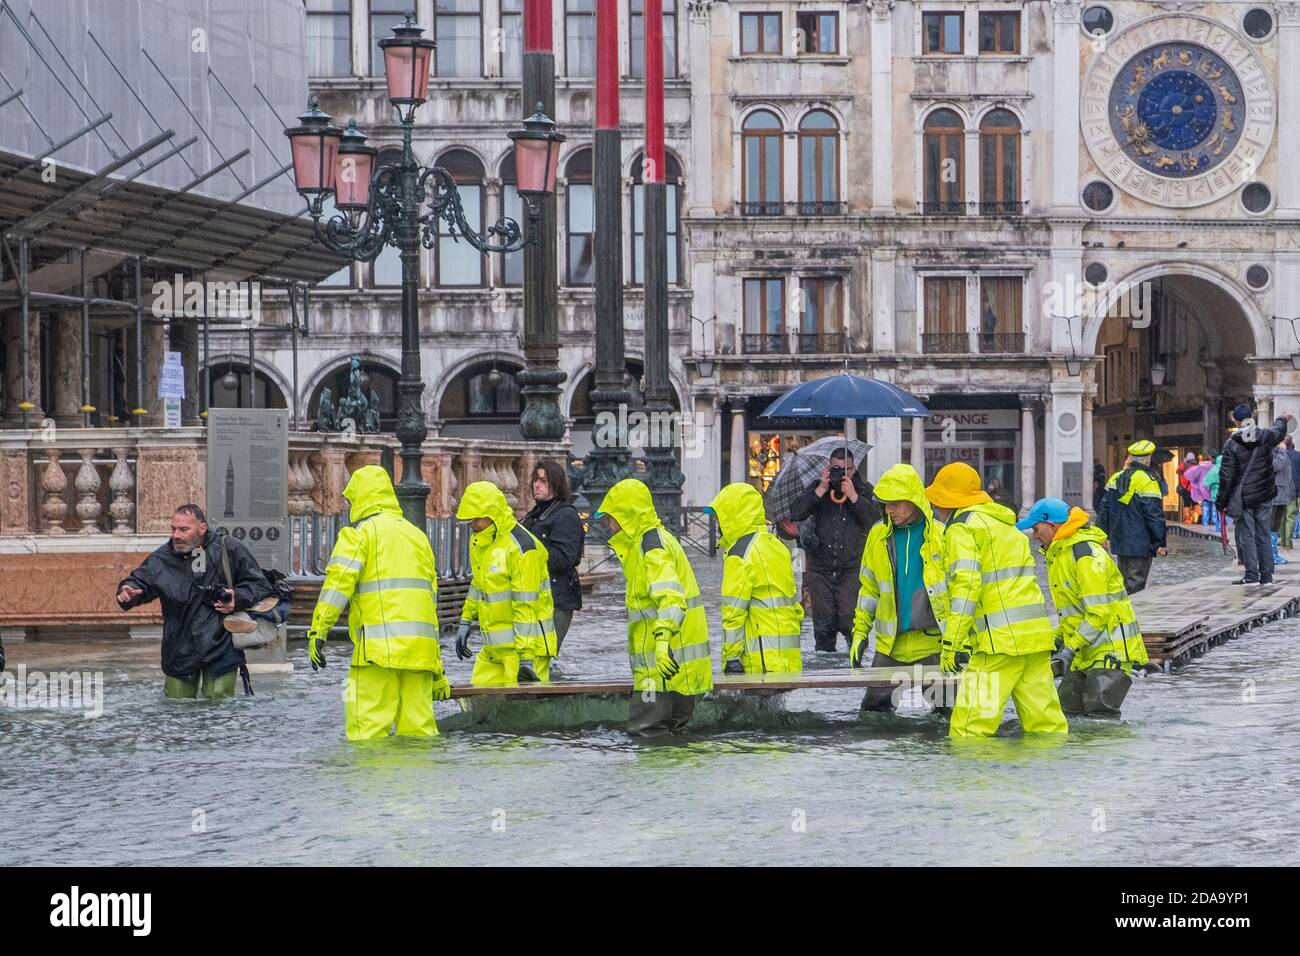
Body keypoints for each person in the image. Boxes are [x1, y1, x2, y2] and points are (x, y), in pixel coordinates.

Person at [305, 466, 450, 739]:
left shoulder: (360, 534)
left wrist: (318, 632)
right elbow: (430, 607)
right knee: (419, 735)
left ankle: (374, 783)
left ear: (361, 497)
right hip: (420, 655)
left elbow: (336, 588)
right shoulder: (418, 537)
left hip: (376, 653)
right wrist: (439, 670)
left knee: (367, 734)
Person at [924, 462, 1067, 739]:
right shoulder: (1009, 529)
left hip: (998, 643)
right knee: (1047, 727)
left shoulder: (963, 528)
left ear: (945, 501)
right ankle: (1052, 779)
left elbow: (967, 587)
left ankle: (974, 783)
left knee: (969, 729)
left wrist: (952, 642)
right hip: (1036, 639)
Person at [117, 504, 275, 700]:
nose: (176, 535)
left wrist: (237, 598)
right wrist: (127, 591)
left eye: (184, 529)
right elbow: (140, 583)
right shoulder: (161, 558)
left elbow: (261, 585)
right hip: (180, 649)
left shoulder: (228, 548)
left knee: (220, 705)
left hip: (221, 645)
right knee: (177, 707)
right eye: (173, 528)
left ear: (202, 528)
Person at [593, 478, 712, 735]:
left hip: (659, 663)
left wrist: (660, 644)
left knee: (647, 733)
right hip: (677, 663)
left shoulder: (651, 546)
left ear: (626, 516)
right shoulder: (655, 541)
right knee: (675, 732)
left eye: (610, 517)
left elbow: (671, 597)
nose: (606, 524)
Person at [1019, 498, 1149, 717]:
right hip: (1085, 651)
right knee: (1063, 711)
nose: (1034, 534)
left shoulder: (1085, 556)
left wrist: (1068, 650)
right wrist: (1050, 642)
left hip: (1110, 653)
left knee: (1099, 720)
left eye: (1036, 528)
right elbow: (1072, 615)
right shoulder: (1060, 555)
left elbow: (1098, 614)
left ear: (1053, 525)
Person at [849, 464, 950, 715]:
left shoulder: (942, 536)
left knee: (950, 714)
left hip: (934, 646)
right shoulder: (877, 536)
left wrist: (960, 641)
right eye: (884, 504)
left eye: (894, 503)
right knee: (872, 715)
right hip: (890, 646)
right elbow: (869, 588)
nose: (888, 509)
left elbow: (960, 590)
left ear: (914, 500)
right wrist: (860, 632)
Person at [454, 480, 558, 686]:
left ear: (492, 515)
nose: (472, 525)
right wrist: (466, 621)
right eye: (469, 520)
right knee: (478, 709)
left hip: (524, 652)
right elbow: (479, 584)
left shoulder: (522, 548)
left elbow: (526, 604)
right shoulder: (482, 541)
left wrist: (526, 657)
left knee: (524, 712)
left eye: (476, 519)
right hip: (494, 649)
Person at [706, 482, 803, 675]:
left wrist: (732, 657)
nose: (718, 524)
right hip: (789, 658)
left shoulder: (740, 554)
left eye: (720, 517)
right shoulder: (776, 545)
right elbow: (794, 603)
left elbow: (733, 613)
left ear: (733, 515)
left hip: (760, 661)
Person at [788, 447, 877, 652]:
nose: (841, 474)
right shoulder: (817, 487)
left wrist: (854, 496)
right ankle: (825, 669)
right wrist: (820, 489)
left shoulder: (864, 489)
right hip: (820, 568)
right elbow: (796, 512)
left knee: (850, 618)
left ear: (854, 469)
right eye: (836, 469)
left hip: (852, 567)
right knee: (823, 624)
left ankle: (854, 661)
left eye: (846, 470)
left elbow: (875, 522)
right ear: (829, 468)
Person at [1215, 405, 1294, 585]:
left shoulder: (1232, 444)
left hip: (1243, 498)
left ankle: (1251, 574)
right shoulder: (1264, 436)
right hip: (1264, 494)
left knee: (1247, 535)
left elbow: (1226, 476)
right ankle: (1266, 576)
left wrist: (1220, 502)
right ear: (1252, 417)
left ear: (1235, 421)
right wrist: (1282, 418)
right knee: (1264, 534)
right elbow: (1279, 431)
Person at [520, 460, 585, 654]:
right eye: (535, 480)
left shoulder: (565, 515)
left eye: (543, 480)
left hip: (557, 599)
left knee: (543, 654)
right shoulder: (535, 514)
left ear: (556, 484)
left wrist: (532, 553)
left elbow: (565, 558)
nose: (536, 485)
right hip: (536, 598)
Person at [1097, 440, 1168, 594]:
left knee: (1124, 580)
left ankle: (1123, 611)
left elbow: (1104, 510)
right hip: (1141, 542)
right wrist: (1160, 542)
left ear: (1130, 458)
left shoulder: (1115, 478)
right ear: (1148, 459)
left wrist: (1102, 536)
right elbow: (1154, 515)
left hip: (1120, 540)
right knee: (1136, 582)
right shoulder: (1148, 481)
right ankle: (1131, 613)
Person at [1269, 443, 1295, 567]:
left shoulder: (1281, 453)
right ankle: (1271, 554)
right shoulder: (1273, 453)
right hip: (1275, 496)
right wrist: (1282, 451)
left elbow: (1288, 476)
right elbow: (1276, 466)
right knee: (1272, 525)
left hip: (1283, 495)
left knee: (1275, 526)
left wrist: (1292, 493)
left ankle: (1273, 553)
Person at [1284, 436, 1300, 550]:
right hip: (1298, 487)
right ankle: (1287, 542)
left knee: (1286, 516)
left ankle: (1286, 542)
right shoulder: (1298, 455)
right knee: (1290, 516)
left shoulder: (1280, 456)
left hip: (1286, 490)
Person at [1176, 452, 1197, 523]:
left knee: (1186, 503)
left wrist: (1183, 462)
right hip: (1194, 488)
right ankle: (1196, 519)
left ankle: (1187, 519)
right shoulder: (1196, 466)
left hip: (1185, 487)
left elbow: (1177, 471)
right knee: (1195, 503)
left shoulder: (1183, 465)